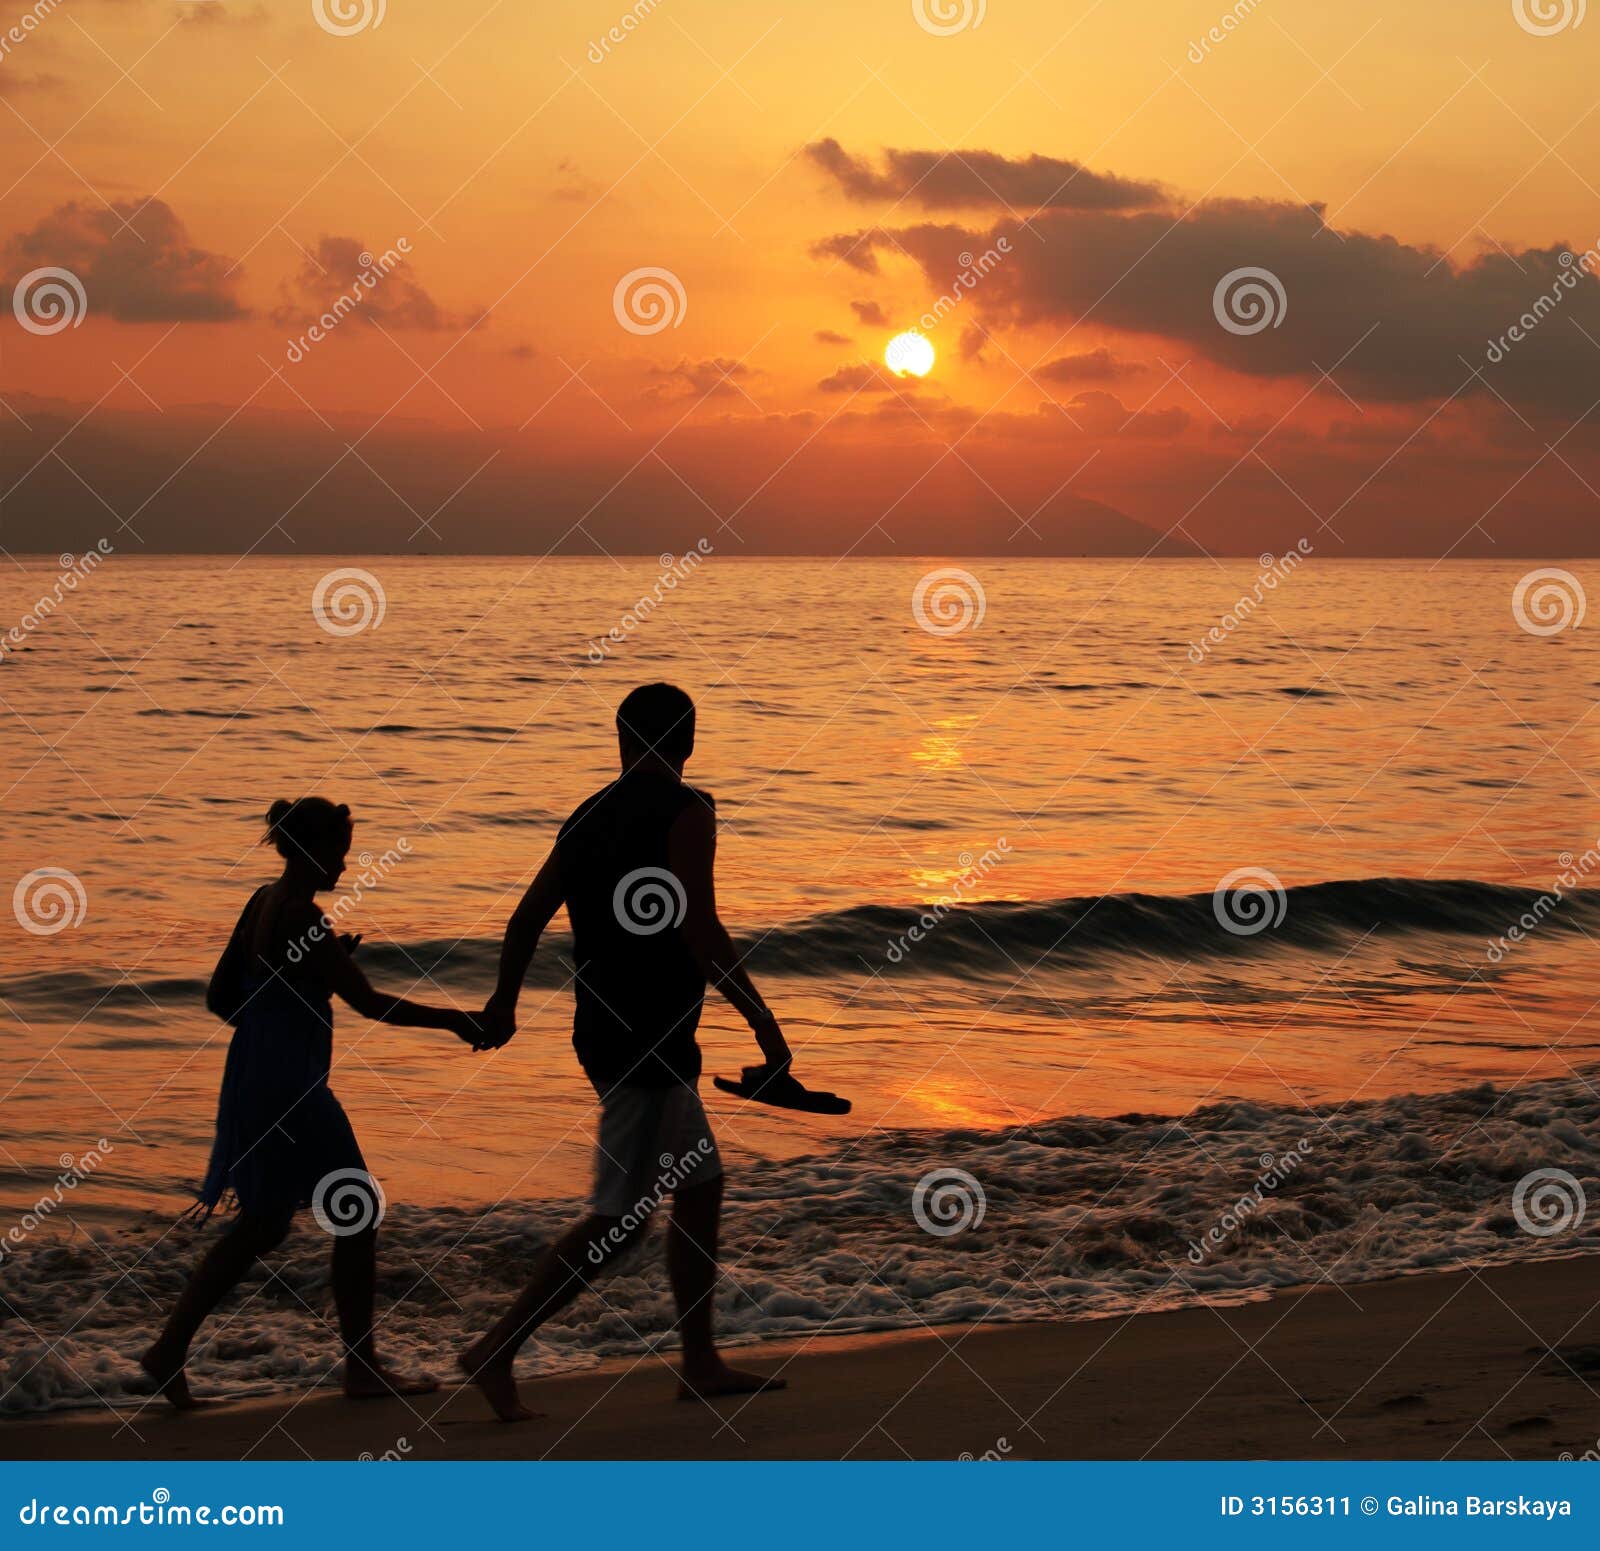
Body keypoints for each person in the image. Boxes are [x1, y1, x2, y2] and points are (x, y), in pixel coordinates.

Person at [460, 682, 794, 1422]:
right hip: (650, 1038)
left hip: (607, 1030)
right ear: (689, 742)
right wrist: (765, 1024)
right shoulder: (689, 810)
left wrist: (504, 1004)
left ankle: (700, 1361)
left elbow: (524, 919)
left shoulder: (588, 814)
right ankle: (496, 1348)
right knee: (621, 1217)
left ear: (620, 739)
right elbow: (700, 930)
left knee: (699, 1187)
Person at [140, 797, 485, 1409]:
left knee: (264, 1224)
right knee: (358, 1210)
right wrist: (459, 1021)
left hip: (253, 1076)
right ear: (309, 849)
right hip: (294, 1089)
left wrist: (292, 997)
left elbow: (222, 997)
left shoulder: (261, 902)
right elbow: (371, 1005)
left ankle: (169, 1351)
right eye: (337, 853)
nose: (344, 866)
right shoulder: (305, 919)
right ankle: (361, 1368)